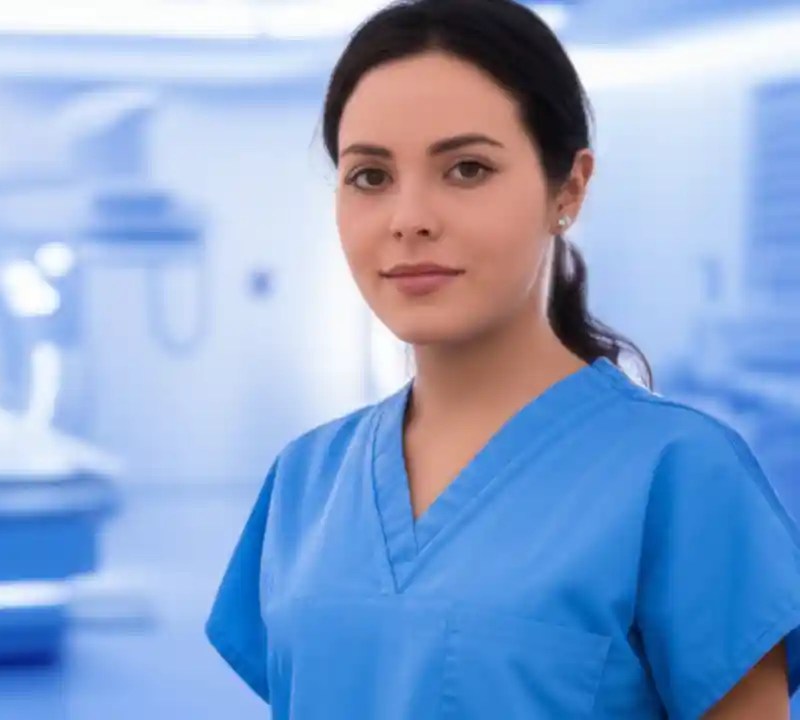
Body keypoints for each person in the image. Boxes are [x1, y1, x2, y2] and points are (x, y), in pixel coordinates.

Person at [205, 1, 800, 717]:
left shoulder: (681, 475)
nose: (409, 218)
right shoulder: (306, 480)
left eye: (466, 169)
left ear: (569, 189)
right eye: (370, 177)